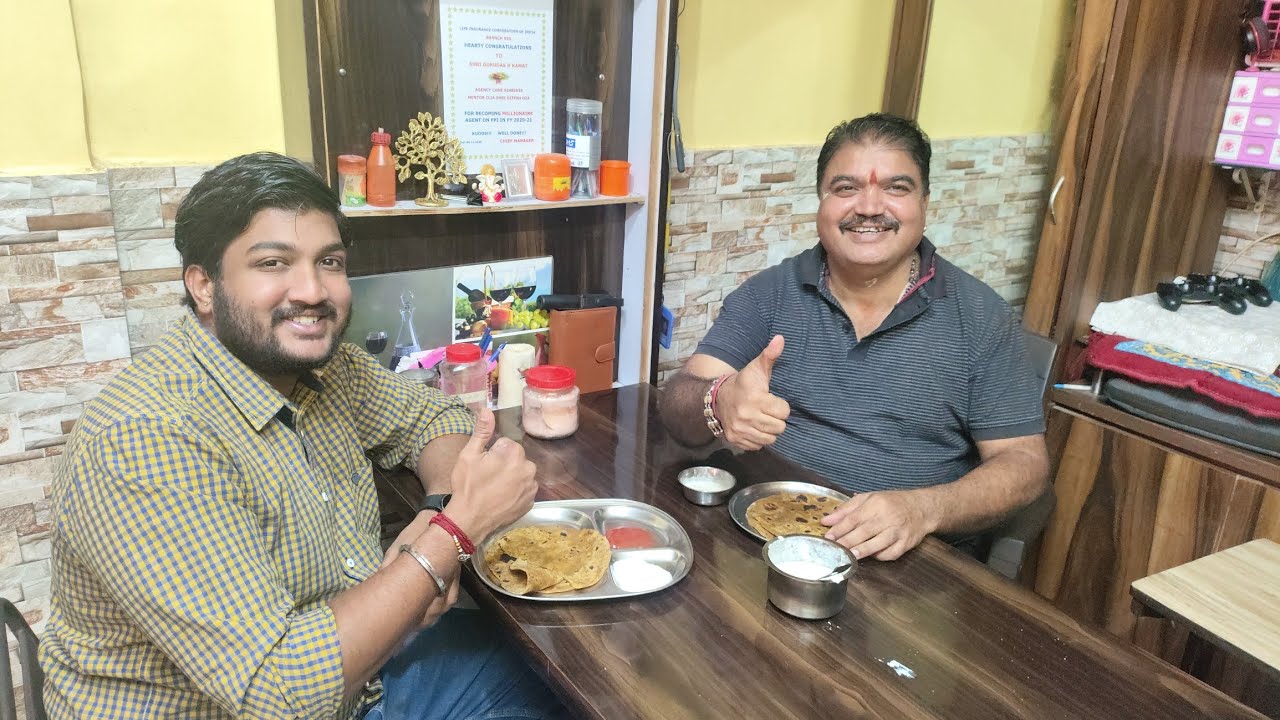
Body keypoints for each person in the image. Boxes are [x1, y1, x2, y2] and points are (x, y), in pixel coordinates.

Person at [41, 152, 566, 719]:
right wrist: (454, 533)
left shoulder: (318, 366)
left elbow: (432, 416)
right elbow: (279, 695)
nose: (313, 290)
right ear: (203, 285)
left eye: (330, 261)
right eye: (273, 263)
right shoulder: (144, 439)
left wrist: (432, 513)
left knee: (559, 677)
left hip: (358, 684)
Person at [660, 113, 1050, 562]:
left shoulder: (981, 317)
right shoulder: (771, 294)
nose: (868, 206)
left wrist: (925, 509)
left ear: (926, 202)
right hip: (769, 539)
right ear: (821, 203)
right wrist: (718, 402)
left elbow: (1025, 465)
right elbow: (677, 405)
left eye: (896, 188)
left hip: (908, 562)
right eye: (846, 188)